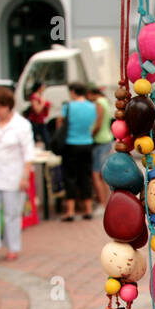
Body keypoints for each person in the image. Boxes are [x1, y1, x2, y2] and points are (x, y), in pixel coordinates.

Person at [0, 87, 35, 260]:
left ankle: (13, 246)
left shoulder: (22, 125)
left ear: (8, 105)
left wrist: (25, 176)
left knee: (12, 212)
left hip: (13, 173)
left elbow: (28, 152)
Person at [56, 82, 101, 220]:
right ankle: (88, 210)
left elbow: (61, 123)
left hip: (70, 145)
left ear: (74, 92)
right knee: (85, 176)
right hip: (87, 143)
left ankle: (70, 212)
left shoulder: (68, 106)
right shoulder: (92, 107)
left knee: (69, 177)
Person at [90, 85, 113, 205]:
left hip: (100, 140)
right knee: (103, 173)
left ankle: (103, 202)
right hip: (107, 138)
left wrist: (91, 135)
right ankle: (107, 200)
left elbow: (98, 123)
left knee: (96, 173)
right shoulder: (105, 101)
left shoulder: (99, 103)